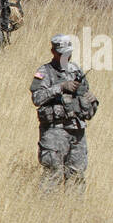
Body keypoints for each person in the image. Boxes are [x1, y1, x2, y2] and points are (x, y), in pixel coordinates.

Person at [32, 34, 99, 191]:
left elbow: (84, 93)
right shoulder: (43, 72)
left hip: (77, 130)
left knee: (77, 175)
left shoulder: (76, 70)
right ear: (53, 51)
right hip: (54, 131)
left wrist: (90, 99)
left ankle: (73, 211)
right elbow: (37, 97)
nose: (66, 56)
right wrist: (61, 87)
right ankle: (46, 210)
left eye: (68, 53)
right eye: (62, 53)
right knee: (52, 174)